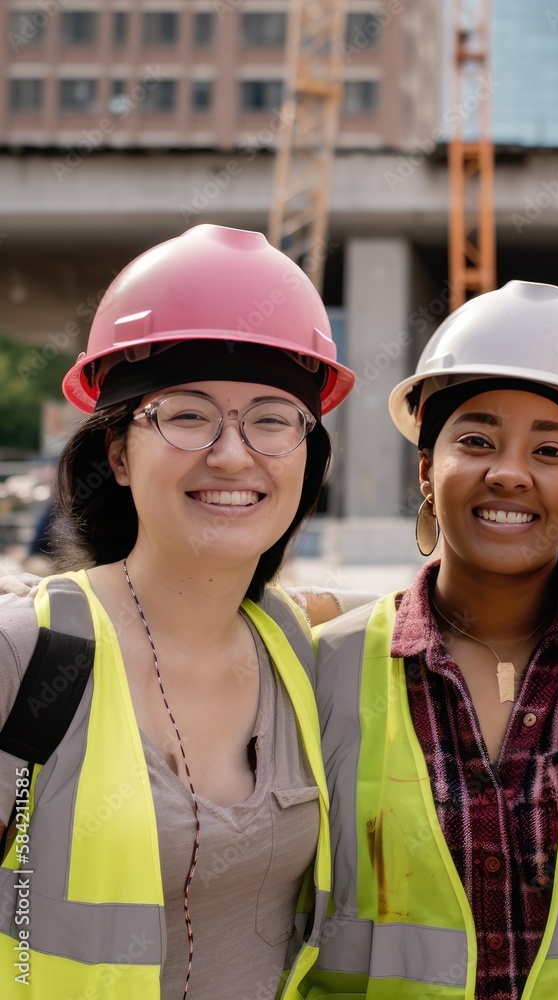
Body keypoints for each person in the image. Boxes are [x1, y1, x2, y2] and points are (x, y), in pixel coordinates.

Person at [304, 280, 558, 1000]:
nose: (510, 473)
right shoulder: (324, 666)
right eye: (476, 440)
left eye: (551, 450)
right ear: (427, 469)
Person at [0, 224, 354, 999]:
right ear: (119, 454)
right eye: (187, 415)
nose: (233, 455)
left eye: (271, 418)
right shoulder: (25, 656)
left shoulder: (295, 646)